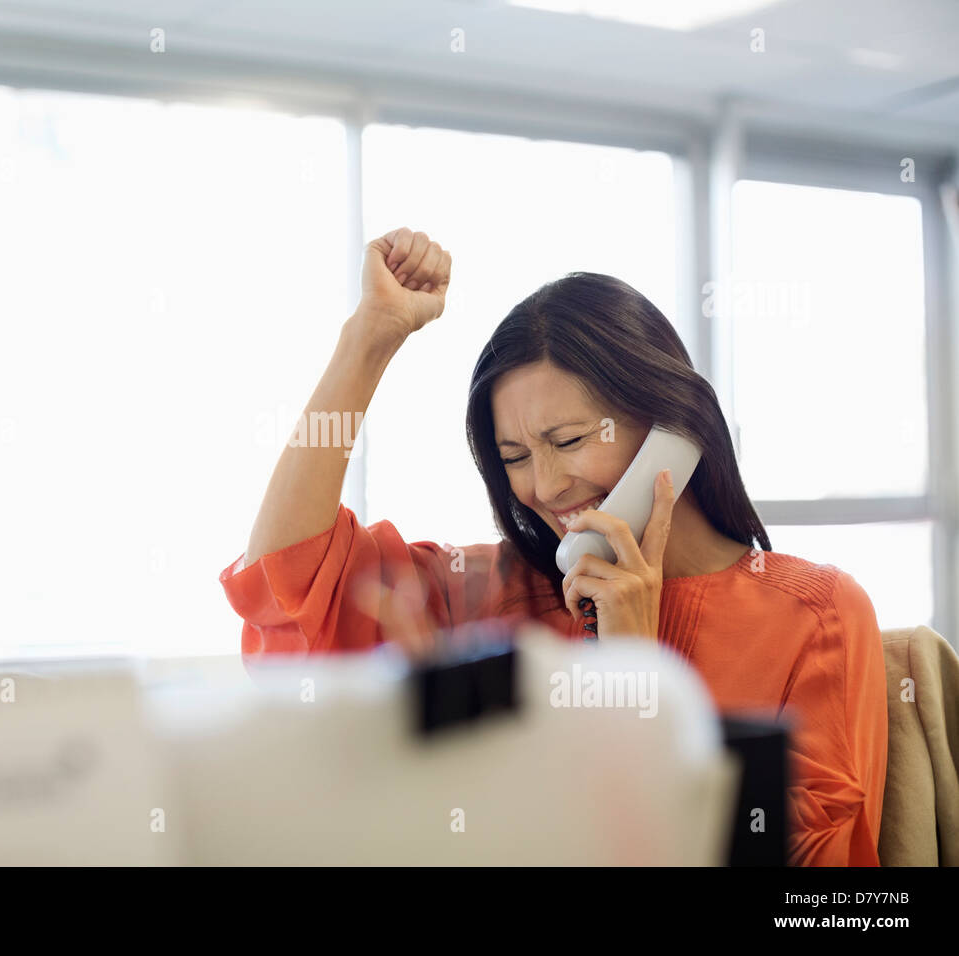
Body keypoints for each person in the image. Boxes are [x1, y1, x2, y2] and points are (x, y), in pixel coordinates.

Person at [219, 227, 888, 867]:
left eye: (568, 441)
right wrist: (368, 340)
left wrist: (633, 676)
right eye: (514, 456)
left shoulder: (817, 614)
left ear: (673, 427)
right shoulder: (493, 592)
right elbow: (289, 585)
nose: (542, 486)